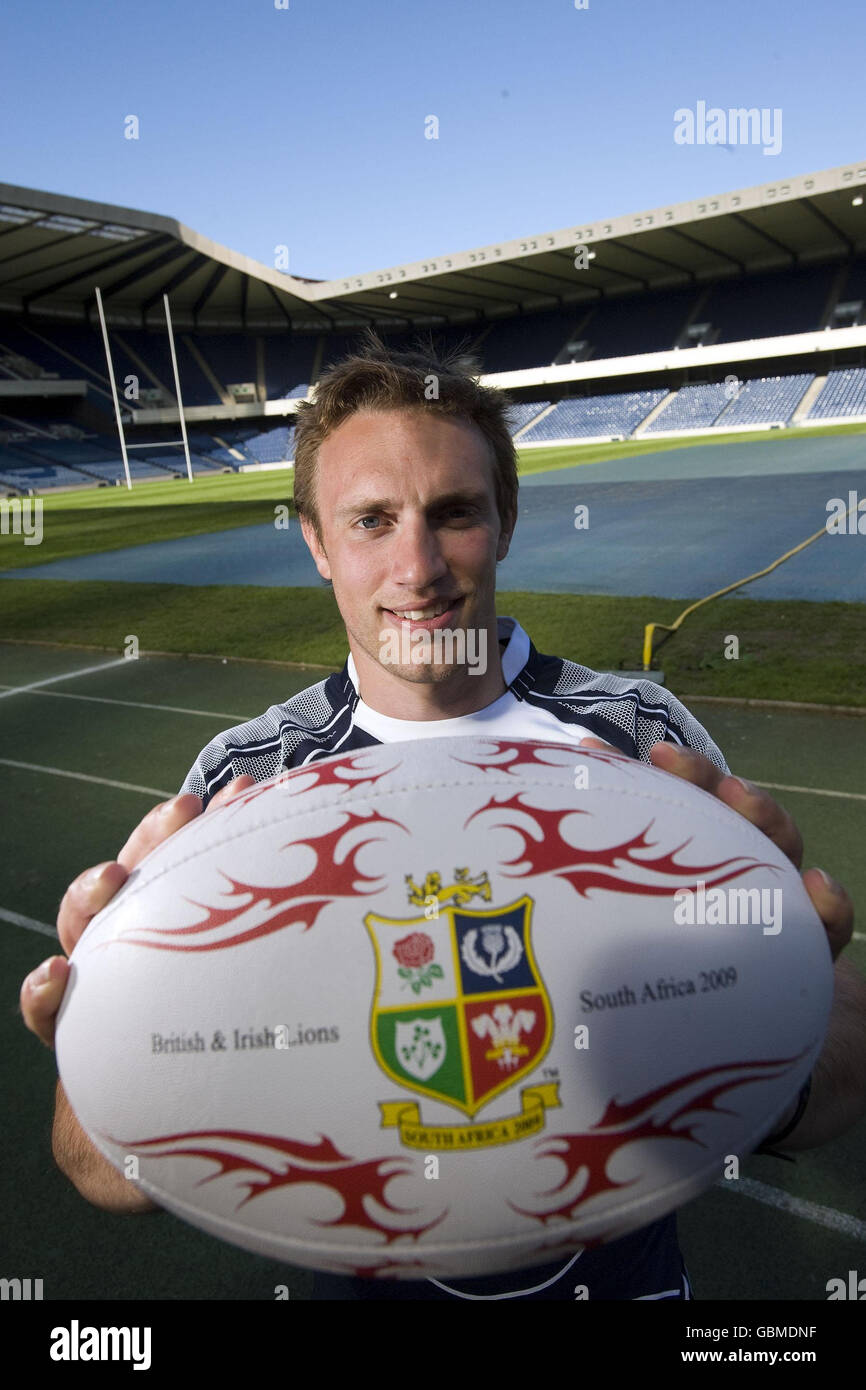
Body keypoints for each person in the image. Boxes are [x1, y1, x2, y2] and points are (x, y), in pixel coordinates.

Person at [21, 335, 866, 1302]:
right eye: (371, 520)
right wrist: (103, 1049)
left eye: (453, 513)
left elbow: (843, 1059)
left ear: (505, 519)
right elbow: (91, 1165)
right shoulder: (241, 787)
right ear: (315, 543)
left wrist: (783, 1011)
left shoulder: (636, 740)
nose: (416, 567)